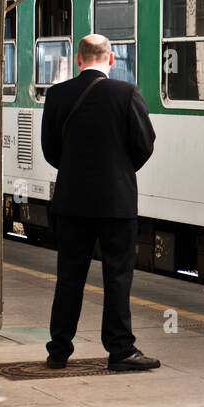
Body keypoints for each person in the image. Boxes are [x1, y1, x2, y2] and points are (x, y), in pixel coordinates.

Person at [40, 33, 158, 371]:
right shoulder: (126, 93)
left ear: (78, 60)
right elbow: (145, 144)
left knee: (69, 277)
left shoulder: (58, 95)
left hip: (71, 202)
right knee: (117, 277)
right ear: (110, 60)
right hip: (116, 204)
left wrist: (76, 171)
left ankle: (58, 351)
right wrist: (119, 171)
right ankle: (120, 350)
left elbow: (50, 149)